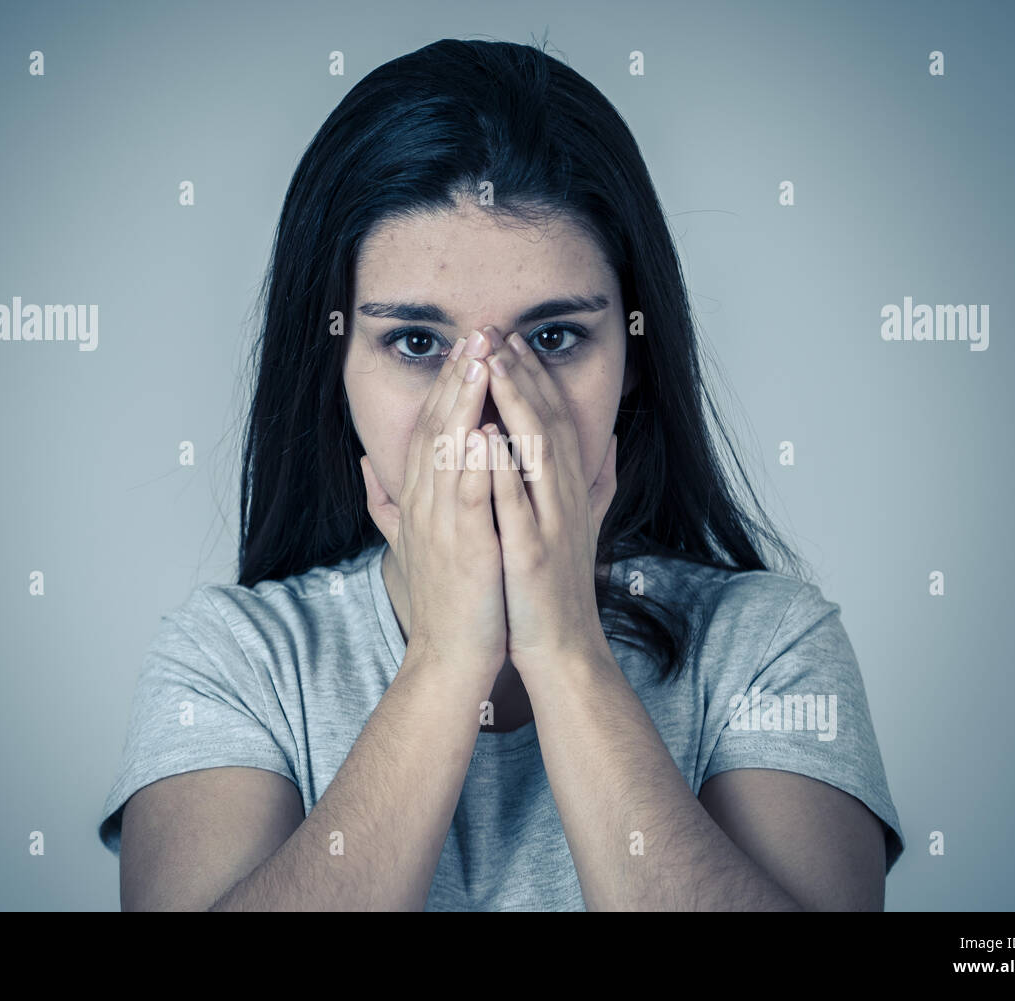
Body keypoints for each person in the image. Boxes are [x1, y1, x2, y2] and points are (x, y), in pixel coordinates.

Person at [97, 36, 905, 911]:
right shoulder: (231, 661)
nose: (483, 413)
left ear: (635, 355)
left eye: (554, 338)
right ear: (335, 364)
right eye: (416, 342)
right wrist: (447, 660)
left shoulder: (770, 650)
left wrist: (564, 648)